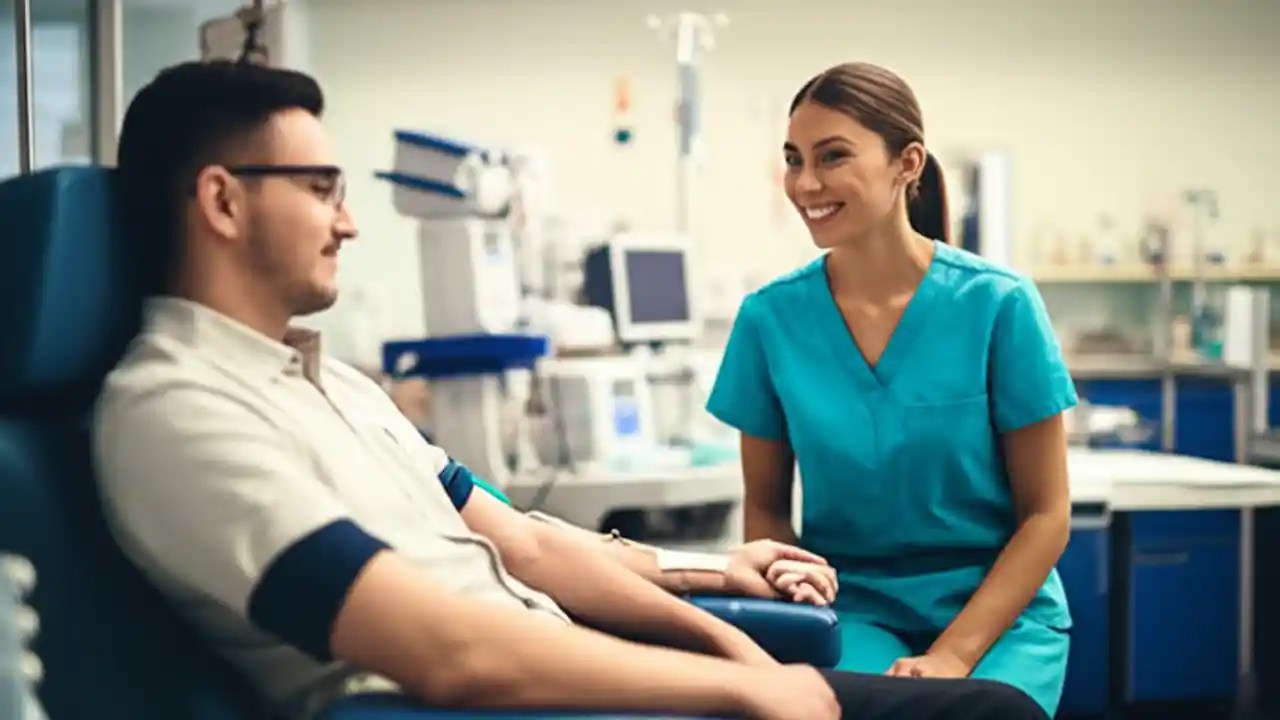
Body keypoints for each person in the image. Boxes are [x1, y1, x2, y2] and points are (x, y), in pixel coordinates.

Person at [91, 59, 1050, 720]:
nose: (348, 223)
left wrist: (719, 598)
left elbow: (526, 542)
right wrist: (740, 687)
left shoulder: (333, 385)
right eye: (322, 188)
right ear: (221, 199)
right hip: (491, 700)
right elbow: (443, 652)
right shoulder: (180, 414)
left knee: (990, 706)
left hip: (557, 666)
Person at [706, 61, 1075, 717]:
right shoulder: (770, 319)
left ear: (907, 163)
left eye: (833, 156)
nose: (806, 183)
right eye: (794, 160)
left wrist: (954, 655)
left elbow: (1046, 516)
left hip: (997, 612)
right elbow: (764, 508)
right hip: (850, 608)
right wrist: (795, 594)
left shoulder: (998, 305)